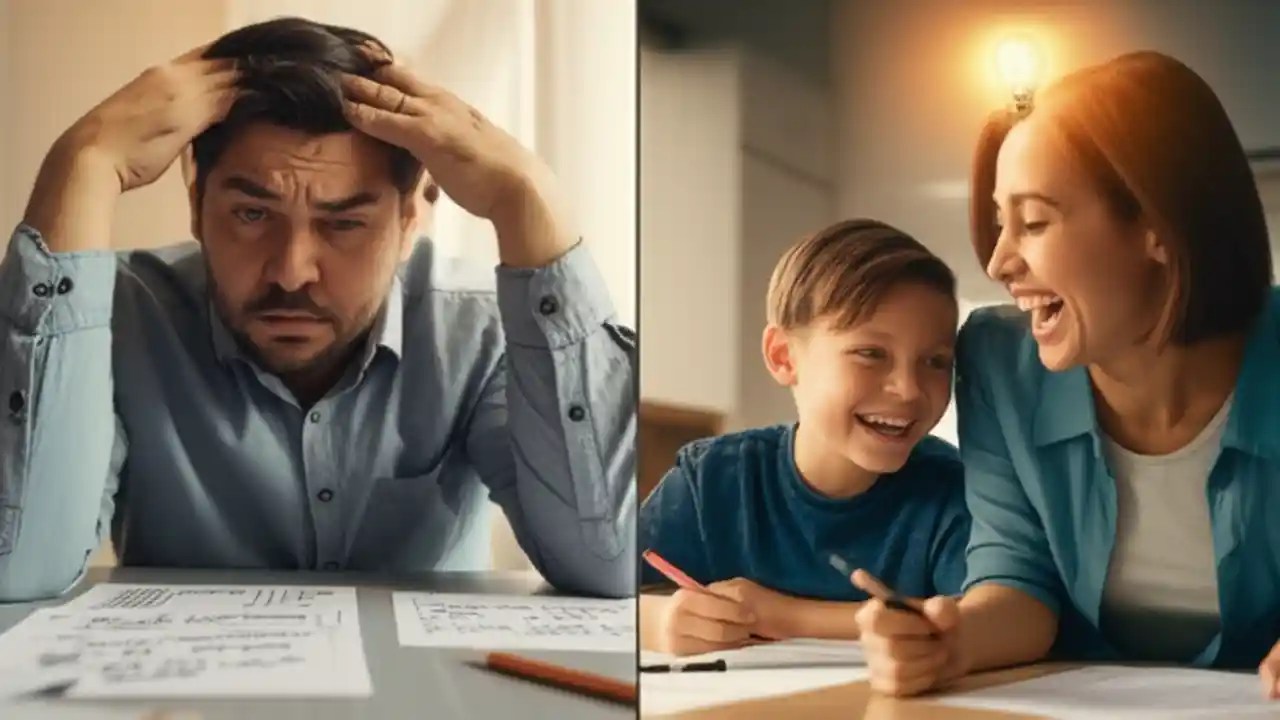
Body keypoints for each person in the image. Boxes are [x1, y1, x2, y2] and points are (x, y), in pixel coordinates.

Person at [0, 17, 635, 602]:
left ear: (412, 218)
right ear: (197, 206)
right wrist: (81, 163)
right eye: (252, 215)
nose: (291, 270)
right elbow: (19, 567)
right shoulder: (115, 319)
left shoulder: (482, 331)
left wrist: (527, 198)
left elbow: (609, 562)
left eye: (345, 224)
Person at [853, 50, 1280, 698]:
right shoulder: (999, 360)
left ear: (1157, 224)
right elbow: (1018, 575)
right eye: (1001, 223)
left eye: (1034, 222)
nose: (999, 261)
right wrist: (951, 639)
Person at [639, 220, 969, 656]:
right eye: (871, 354)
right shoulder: (711, 480)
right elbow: (601, 603)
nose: (908, 389)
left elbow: (980, 620)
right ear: (783, 356)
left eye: (935, 361)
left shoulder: (953, 491)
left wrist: (784, 616)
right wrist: (659, 622)